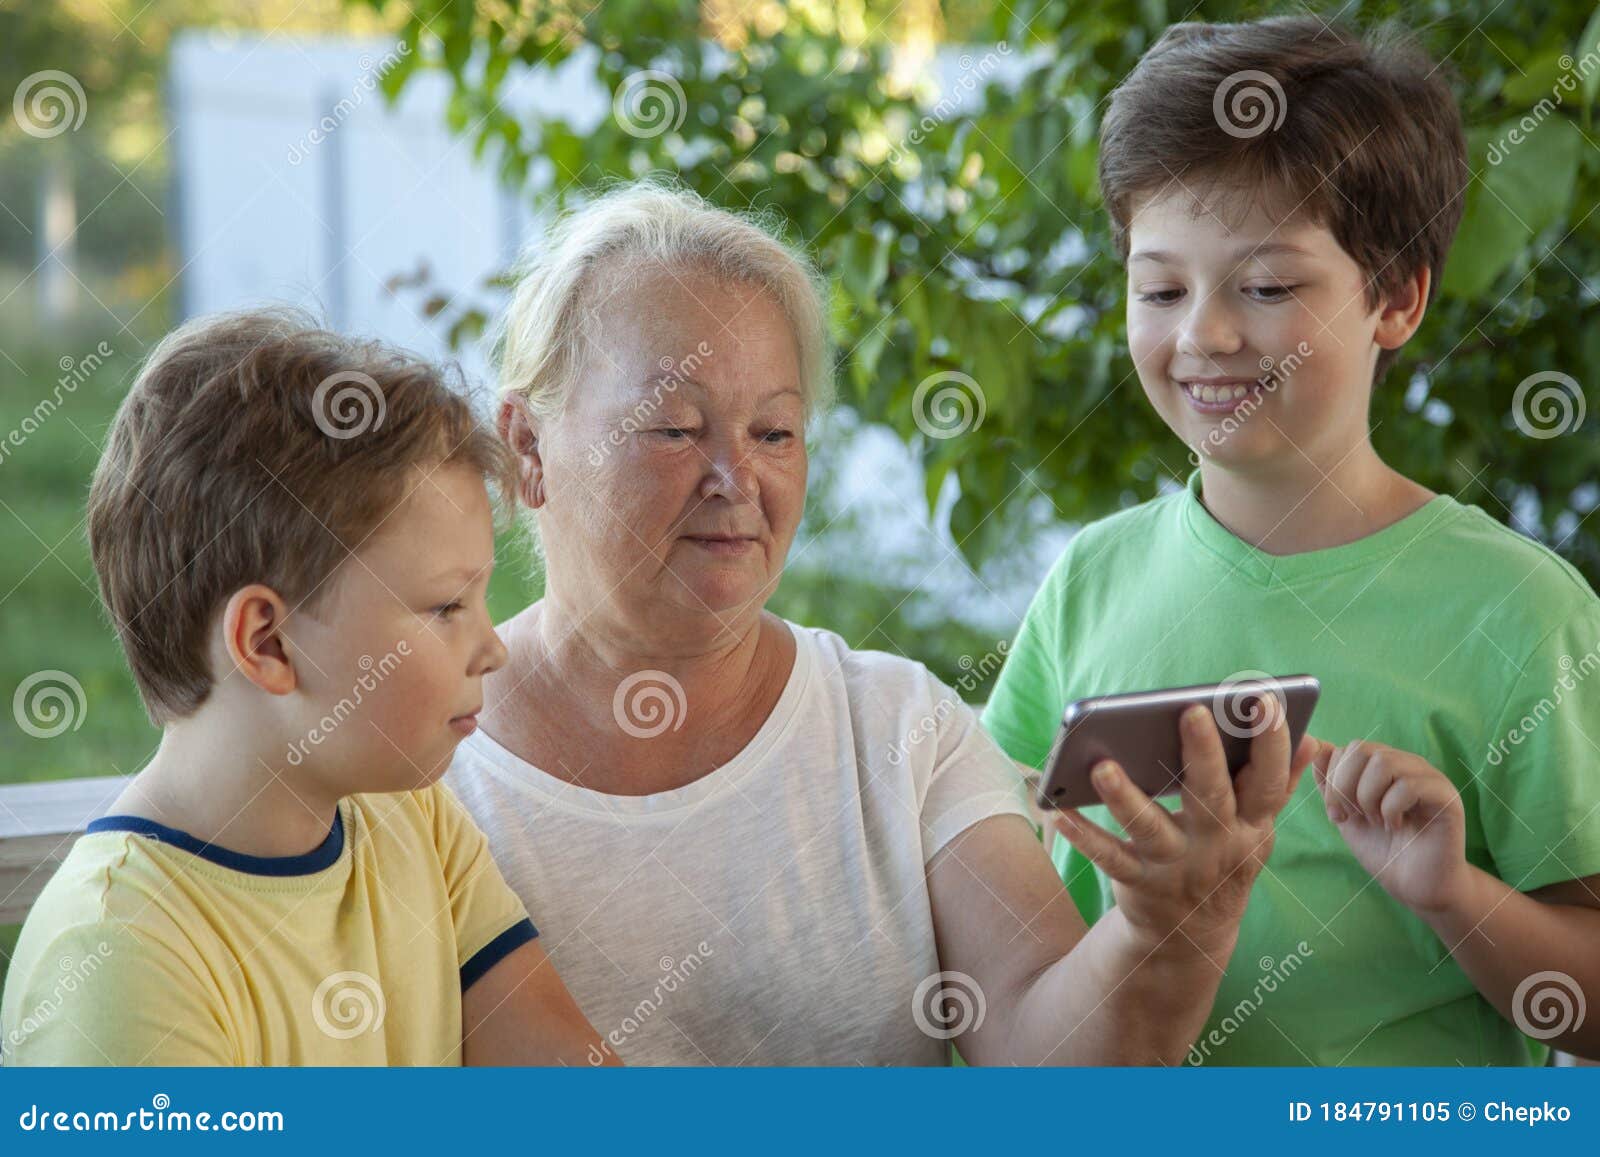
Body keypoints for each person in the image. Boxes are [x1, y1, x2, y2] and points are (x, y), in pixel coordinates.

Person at [444, 180, 1320, 1065]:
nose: (737, 479)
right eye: (674, 428)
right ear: (527, 447)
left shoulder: (900, 729)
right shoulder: (416, 762)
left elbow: (1050, 1069)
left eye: (775, 432)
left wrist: (1165, 932)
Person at [983, 16, 1600, 1065]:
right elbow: (997, 891)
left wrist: (1453, 893)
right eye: (1160, 289)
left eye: (1267, 287)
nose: (1203, 335)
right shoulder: (1092, 573)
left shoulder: (1522, 612)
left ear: (1395, 298)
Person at [1, 310, 610, 1066]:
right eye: (446, 607)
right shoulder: (117, 961)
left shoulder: (412, 822)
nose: (493, 648)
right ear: (268, 642)